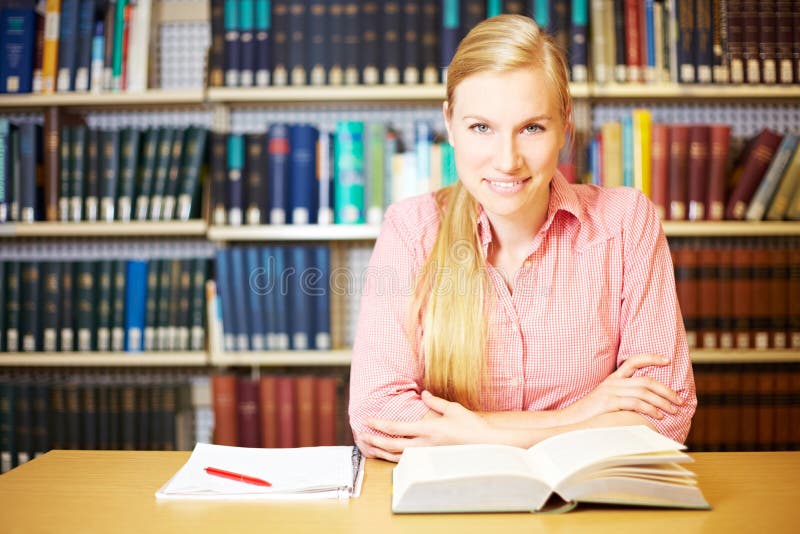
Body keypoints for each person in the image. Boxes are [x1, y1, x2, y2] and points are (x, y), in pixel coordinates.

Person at [348, 14, 696, 462]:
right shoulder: (411, 231)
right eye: (481, 128)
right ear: (449, 124)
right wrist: (584, 414)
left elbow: (666, 416)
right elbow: (377, 415)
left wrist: (481, 434)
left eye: (532, 127)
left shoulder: (625, 223)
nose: (507, 160)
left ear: (564, 127)